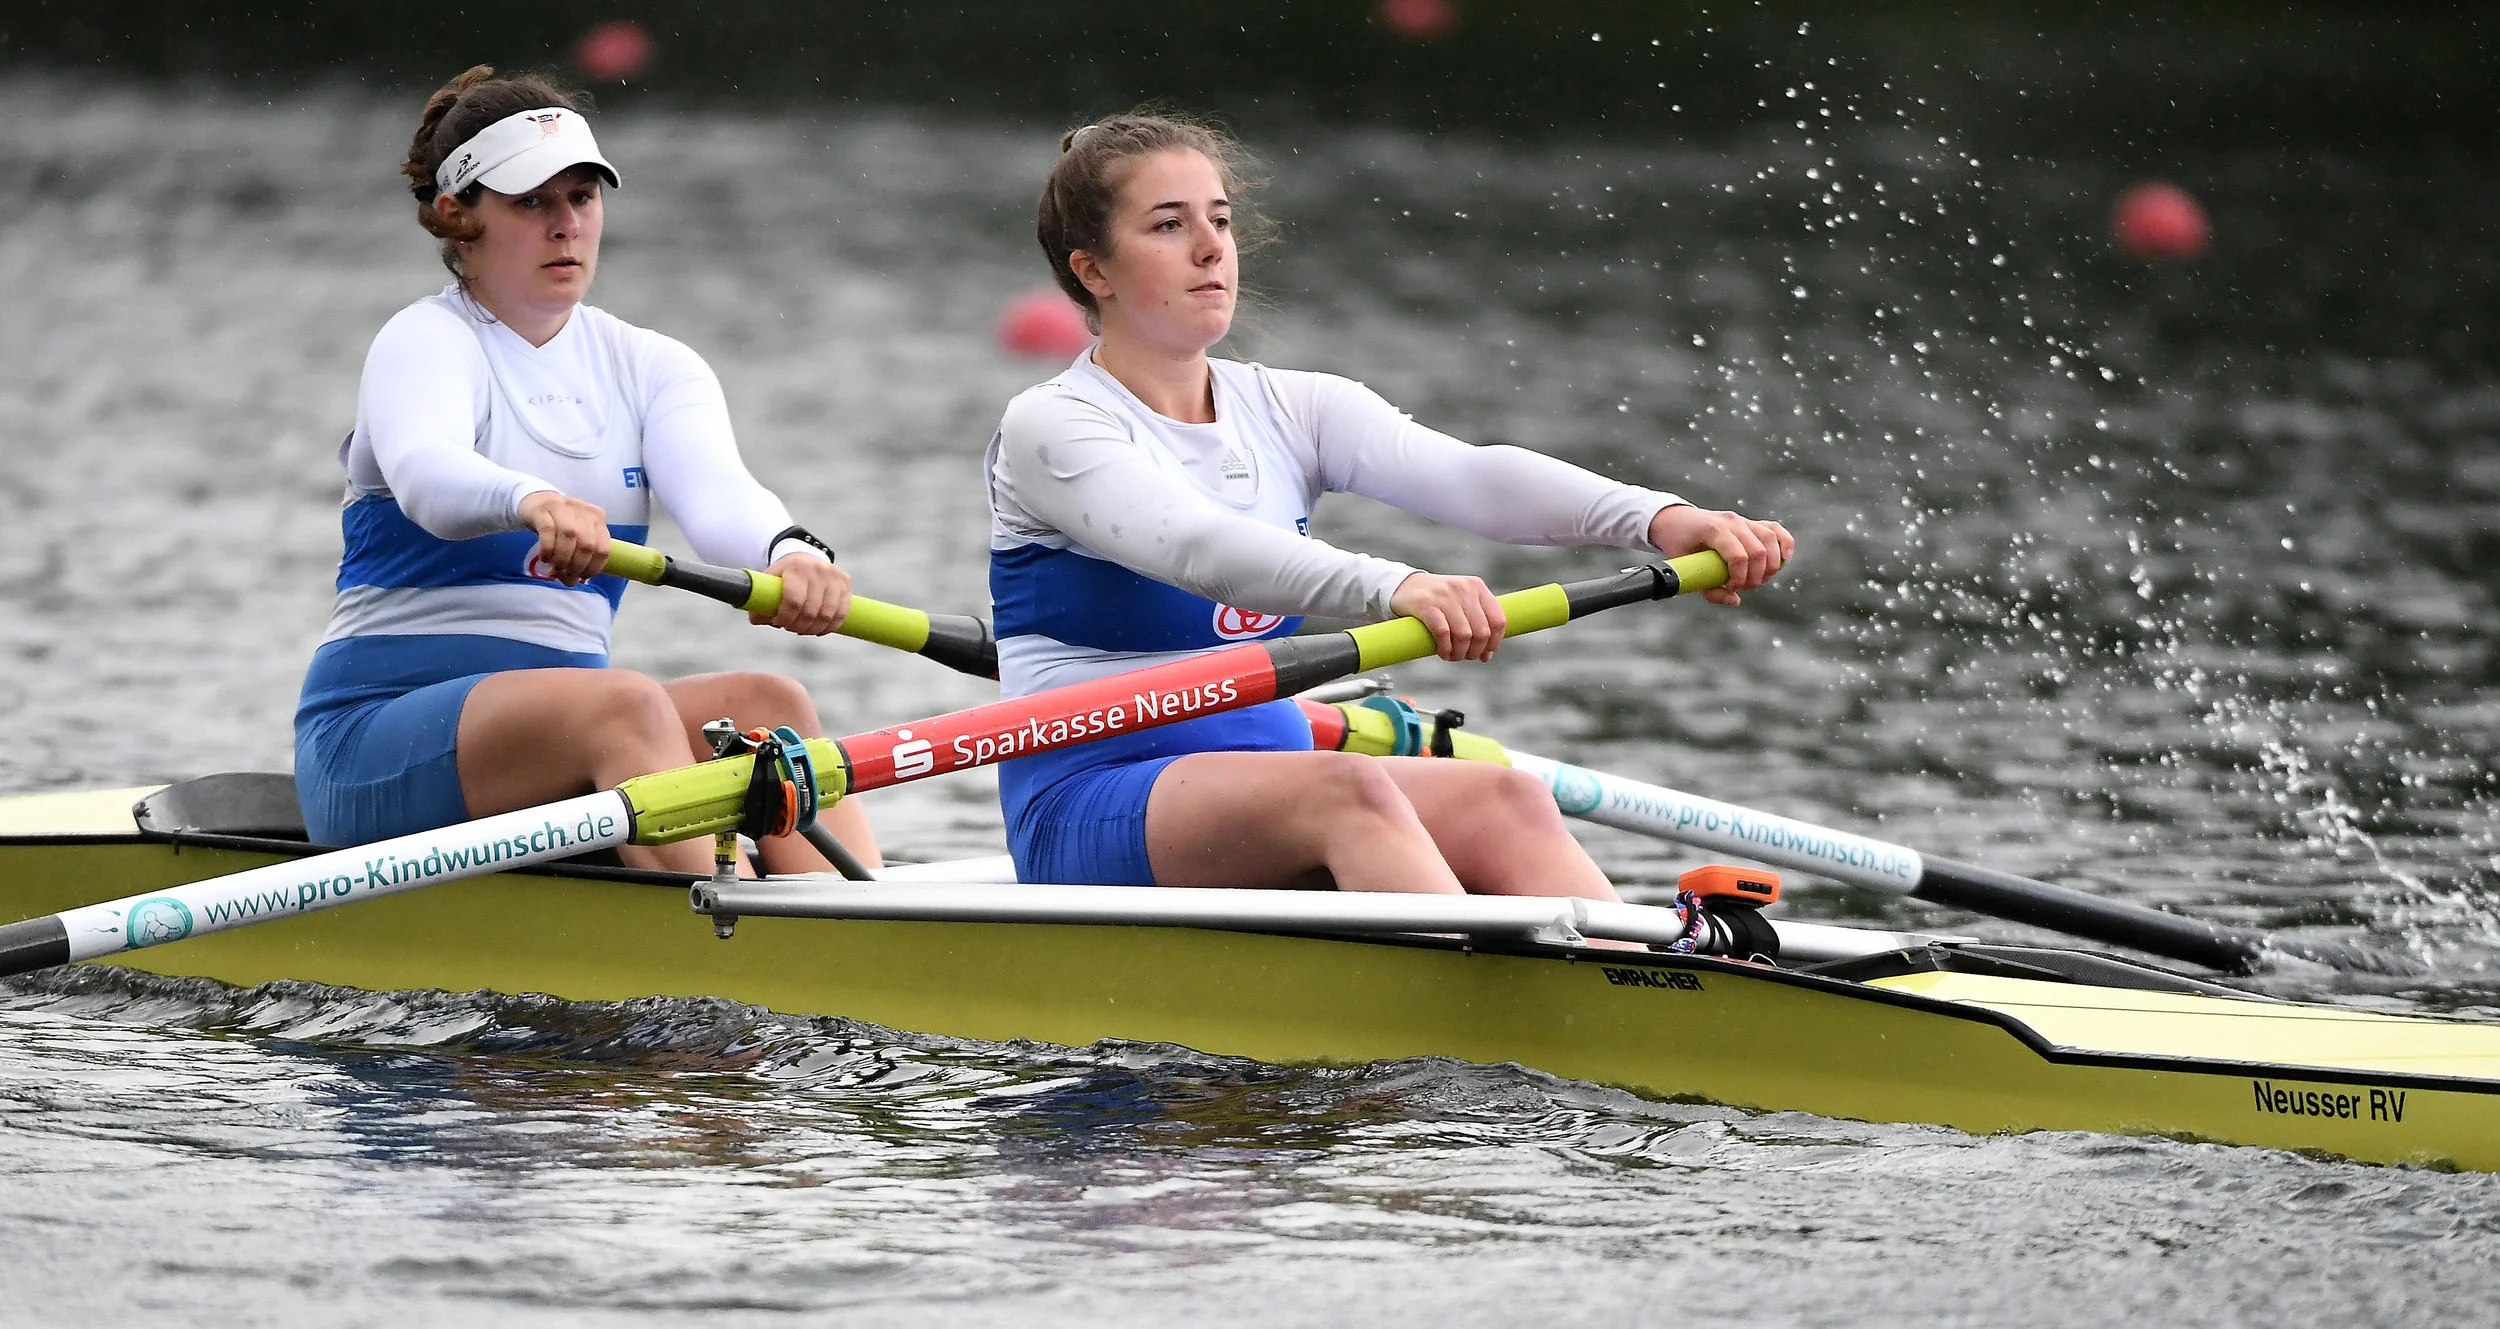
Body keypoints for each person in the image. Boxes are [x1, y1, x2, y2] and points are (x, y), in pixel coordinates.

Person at [987, 113, 1793, 897]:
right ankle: (1509, 1021)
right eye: (1168, 225)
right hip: (1091, 793)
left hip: (1276, 775)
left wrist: (1661, 518)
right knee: (1352, 794)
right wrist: (1395, 587)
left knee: (1504, 797)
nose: (1211, 248)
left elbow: (1475, 478)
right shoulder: (1054, 423)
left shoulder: (1293, 406)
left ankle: (1641, 994)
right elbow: (1199, 548)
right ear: (1093, 270)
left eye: (1221, 220)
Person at [295, 66, 876, 874]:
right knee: (626, 702)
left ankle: (864, 930)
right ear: (460, 215)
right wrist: (531, 500)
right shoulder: (425, 341)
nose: (566, 224)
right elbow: (428, 477)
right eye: (532, 201)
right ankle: (738, 944)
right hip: (377, 742)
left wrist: (791, 554)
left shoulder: (649, 365)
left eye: (583, 197)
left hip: (566, 737)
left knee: (768, 707)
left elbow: (720, 500)